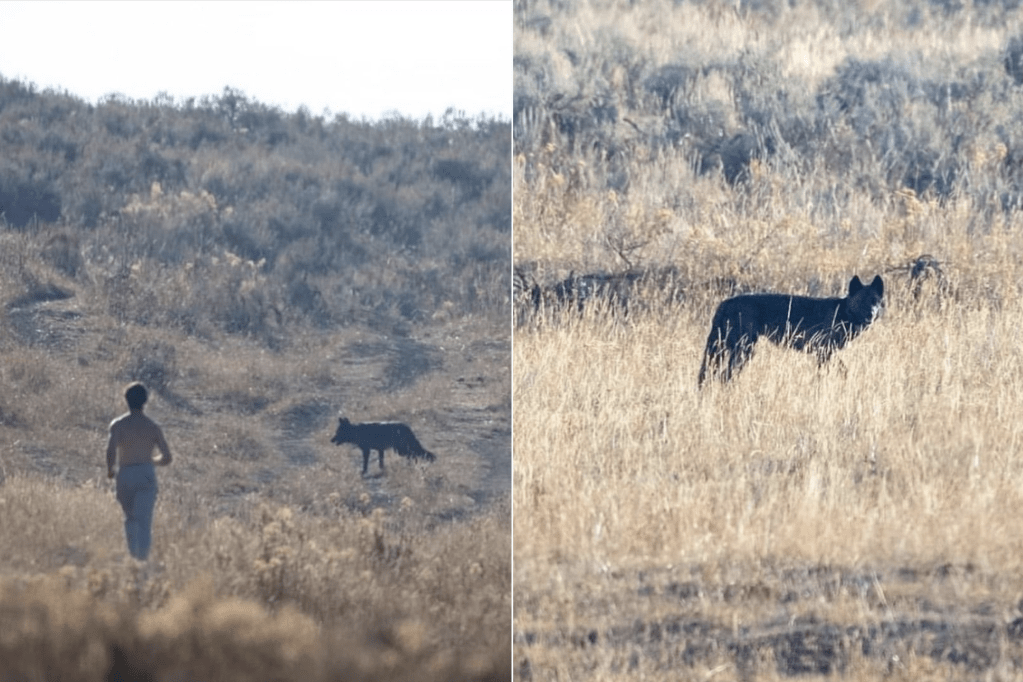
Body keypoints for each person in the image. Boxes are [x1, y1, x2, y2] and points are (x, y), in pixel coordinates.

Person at [106, 382, 173, 561]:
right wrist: (151, 461)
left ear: (126, 400)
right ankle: (141, 562)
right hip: (145, 473)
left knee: (130, 518)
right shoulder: (152, 427)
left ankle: (132, 556)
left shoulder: (118, 425)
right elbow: (167, 457)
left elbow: (111, 450)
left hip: (125, 473)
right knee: (144, 522)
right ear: (145, 401)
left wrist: (110, 470)